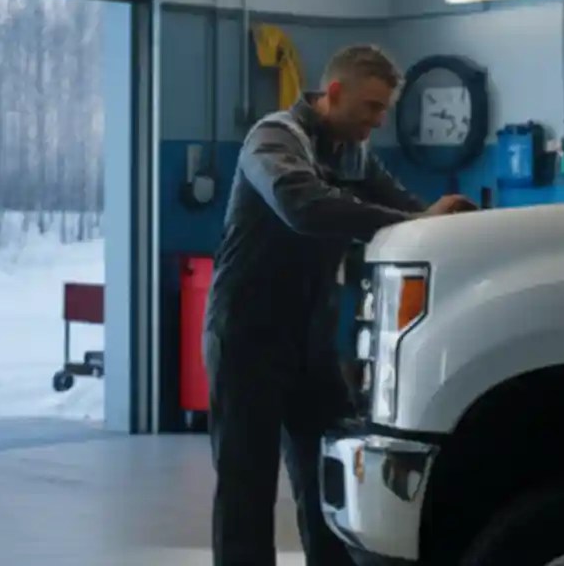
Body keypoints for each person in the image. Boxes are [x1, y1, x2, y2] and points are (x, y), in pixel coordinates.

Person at [203, 44, 475, 565]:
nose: (377, 122)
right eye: (371, 108)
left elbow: (410, 214)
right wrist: (414, 222)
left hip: (310, 339)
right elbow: (300, 206)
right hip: (246, 336)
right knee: (247, 486)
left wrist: (445, 222)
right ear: (333, 93)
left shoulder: (352, 153)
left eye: (383, 111)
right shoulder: (275, 138)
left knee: (322, 476)